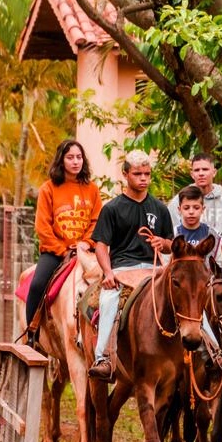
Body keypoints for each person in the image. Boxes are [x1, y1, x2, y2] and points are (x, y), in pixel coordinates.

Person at [87, 151, 175, 382]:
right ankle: (103, 358)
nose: (143, 178)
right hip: (122, 271)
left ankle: (211, 352)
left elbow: (170, 244)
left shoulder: (160, 208)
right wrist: (107, 273)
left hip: (155, 270)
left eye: (147, 174)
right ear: (125, 174)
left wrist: (163, 243)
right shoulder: (112, 209)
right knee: (108, 301)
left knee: (186, 294)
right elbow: (101, 246)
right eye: (137, 174)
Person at [24, 139, 101, 345]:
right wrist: (62, 249)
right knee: (37, 285)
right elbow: (43, 227)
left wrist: (86, 243)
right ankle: (31, 334)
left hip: (86, 252)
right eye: (70, 158)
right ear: (61, 160)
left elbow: (96, 221)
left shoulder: (92, 189)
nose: (75, 162)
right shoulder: (48, 189)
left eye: (79, 157)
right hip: (55, 252)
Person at [175, 184, 222, 375]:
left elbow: (217, 264)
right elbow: (167, 262)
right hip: (180, 286)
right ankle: (213, 352)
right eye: (187, 208)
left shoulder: (211, 235)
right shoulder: (175, 233)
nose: (191, 212)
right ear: (179, 209)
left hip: (205, 286)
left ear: (203, 209)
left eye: (196, 208)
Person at [167, 153, 222, 246]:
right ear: (192, 174)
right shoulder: (178, 201)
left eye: (205, 169)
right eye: (197, 170)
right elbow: (172, 234)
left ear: (214, 172)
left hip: (219, 252)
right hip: (186, 252)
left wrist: (209, 247)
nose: (201, 173)